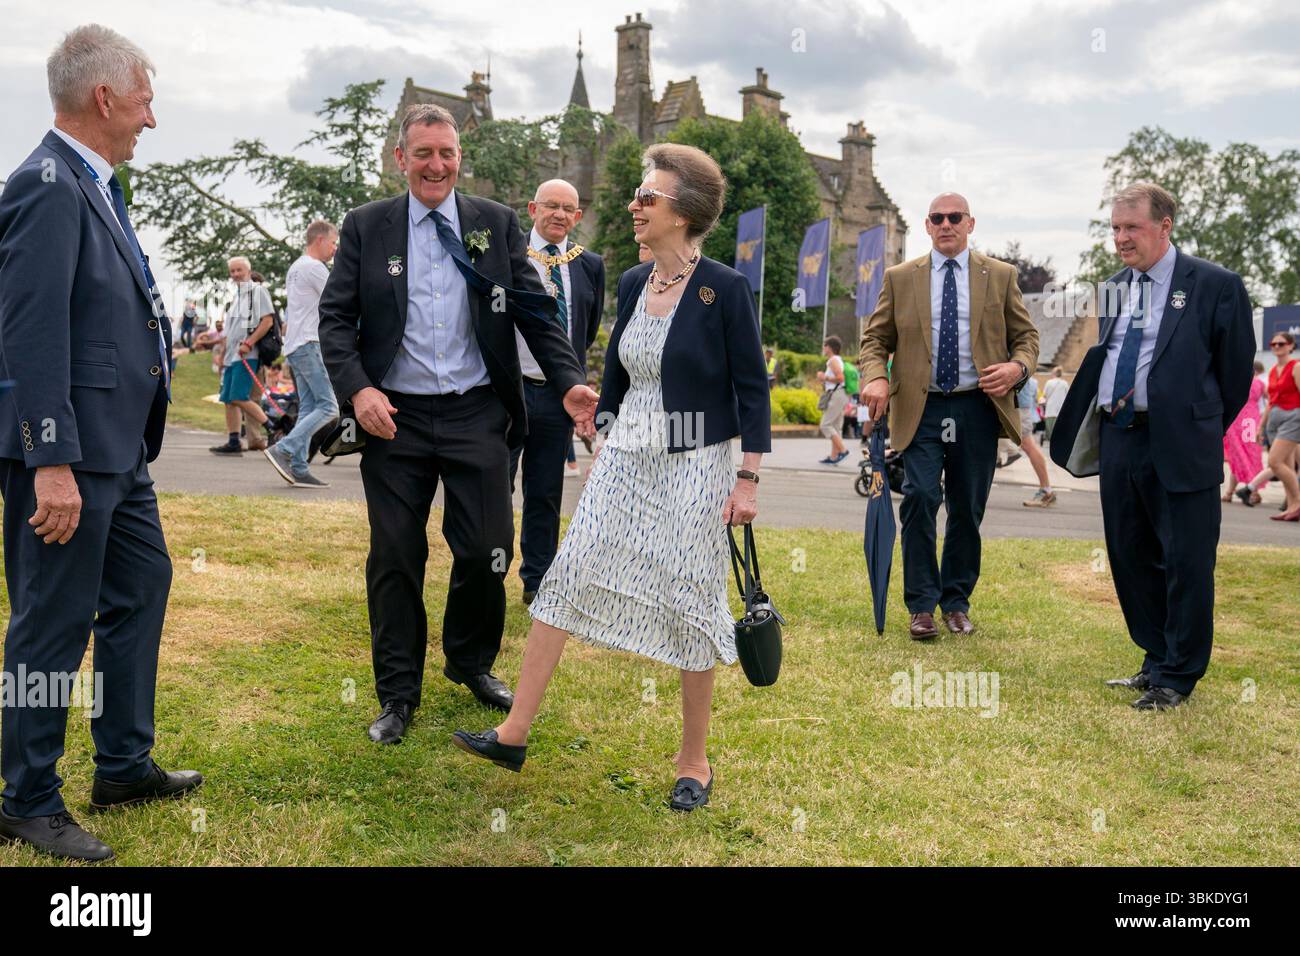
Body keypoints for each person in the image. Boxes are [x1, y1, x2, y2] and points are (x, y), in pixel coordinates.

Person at [451, 143, 770, 813]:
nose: (634, 205)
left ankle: (694, 761)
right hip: (624, 456)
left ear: (683, 213)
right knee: (567, 575)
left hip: (695, 458)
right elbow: (621, 375)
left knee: (690, 596)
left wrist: (747, 479)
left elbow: (752, 390)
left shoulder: (725, 288)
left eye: (647, 197)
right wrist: (605, 430)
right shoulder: (632, 281)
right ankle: (513, 734)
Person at [319, 103, 598, 743]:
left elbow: (534, 311)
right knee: (395, 554)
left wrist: (570, 381)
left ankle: (469, 662)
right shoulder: (367, 227)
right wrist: (358, 390)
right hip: (395, 417)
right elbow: (334, 321)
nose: (436, 165)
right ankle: (397, 693)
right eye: (423, 154)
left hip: (477, 410)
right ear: (401, 160)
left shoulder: (494, 224)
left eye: (446, 154)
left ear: (458, 158)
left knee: (485, 551)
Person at [0, 24, 202, 862]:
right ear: (107, 96)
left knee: (141, 586)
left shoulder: (95, 184)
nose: (151, 118)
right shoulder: (47, 184)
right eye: (146, 98)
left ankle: (121, 761)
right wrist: (49, 459)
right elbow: (29, 330)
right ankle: (26, 796)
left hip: (121, 452)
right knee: (52, 624)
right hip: (71, 457)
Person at [1051, 182, 1255, 710]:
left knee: (1186, 560)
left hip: (1182, 443)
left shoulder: (1215, 284)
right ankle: (1154, 657)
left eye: (1131, 227)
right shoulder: (1114, 285)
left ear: (1164, 226)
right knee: (1130, 554)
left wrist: (1197, 426)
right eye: (1114, 228)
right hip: (1120, 440)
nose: (1120, 238)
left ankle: (1179, 676)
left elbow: (1233, 376)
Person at [860, 192, 1038, 639]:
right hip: (920, 406)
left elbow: (1027, 338)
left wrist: (1018, 368)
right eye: (937, 218)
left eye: (954, 217)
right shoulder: (901, 277)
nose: (946, 224)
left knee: (966, 507)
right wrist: (876, 377)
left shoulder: (1000, 275)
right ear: (926, 225)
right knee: (919, 496)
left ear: (970, 223)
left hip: (976, 405)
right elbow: (875, 340)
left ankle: (955, 602)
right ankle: (921, 605)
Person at [511, 179, 605, 604]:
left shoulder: (590, 266)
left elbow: (584, 329)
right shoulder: (508, 254)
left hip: (557, 395)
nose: (560, 215)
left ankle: (538, 581)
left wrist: (569, 380)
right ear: (532, 209)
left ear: (578, 216)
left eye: (569, 208)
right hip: (507, 391)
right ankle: (486, 570)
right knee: (494, 486)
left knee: (545, 491)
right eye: (551, 206)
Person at [264, 220, 339, 487]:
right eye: (333, 243)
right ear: (320, 240)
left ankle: (298, 465)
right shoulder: (315, 268)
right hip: (309, 343)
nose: (335, 249)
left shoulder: (296, 267)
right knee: (329, 406)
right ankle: (284, 448)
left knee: (309, 407)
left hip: (295, 345)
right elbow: (339, 299)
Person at [209, 256, 274, 455]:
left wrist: (249, 342)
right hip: (231, 356)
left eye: (239, 270)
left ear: (248, 270)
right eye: (233, 271)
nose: (236, 274)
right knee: (228, 399)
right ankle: (234, 441)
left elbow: (267, 321)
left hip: (247, 355)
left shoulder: (258, 291)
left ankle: (275, 427)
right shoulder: (237, 297)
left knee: (238, 397)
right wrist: (221, 355)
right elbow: (230, 331)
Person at [1259, 332, 1300, 520]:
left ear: (1291, 346)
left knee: (1274, 462)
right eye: (1273, 343)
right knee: (1286, 465)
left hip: (1293, 418)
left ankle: (1298, 503)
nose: (1276, 347)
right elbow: (1270, 402)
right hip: (1274, 420)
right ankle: (1291, 507)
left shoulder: (1296, 367)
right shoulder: (1274, 369)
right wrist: (1261, 427)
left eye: (1281, 343)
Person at [1223, 361, 1268, 504]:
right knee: (1251, 457)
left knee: (1237, 457)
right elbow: (1273, 398)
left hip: (1236, 420)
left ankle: (1234, 492)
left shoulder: (1235, 381)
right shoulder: (1260, 384)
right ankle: (1252, 491)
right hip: (1251, 421)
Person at [1018, 373, 1057, 507]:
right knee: (1028, 444)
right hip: (1017, 403)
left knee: (1028, 444)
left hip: (1017, 404)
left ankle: (1046, 490)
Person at [817, 336, 850, 464]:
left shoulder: (832, 360)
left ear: (829, 347)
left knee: (825, 424)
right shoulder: (838, 359)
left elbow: (840, 378)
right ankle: (833, 456)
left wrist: (823, 377)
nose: (823, 348)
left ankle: (843, 450)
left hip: (836, 394)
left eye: (825, 345)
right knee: (836, 427)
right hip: (841, 394)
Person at [1041, 366, 1068, 442]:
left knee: (1050, 427)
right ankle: (1058, 439)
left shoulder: (1049, 382)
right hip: (1060, 409)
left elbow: (1045, 395)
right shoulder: (1065, 383)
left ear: (1054, 373)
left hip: (1050, 409)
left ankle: (1050, 438)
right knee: (1060, 426)